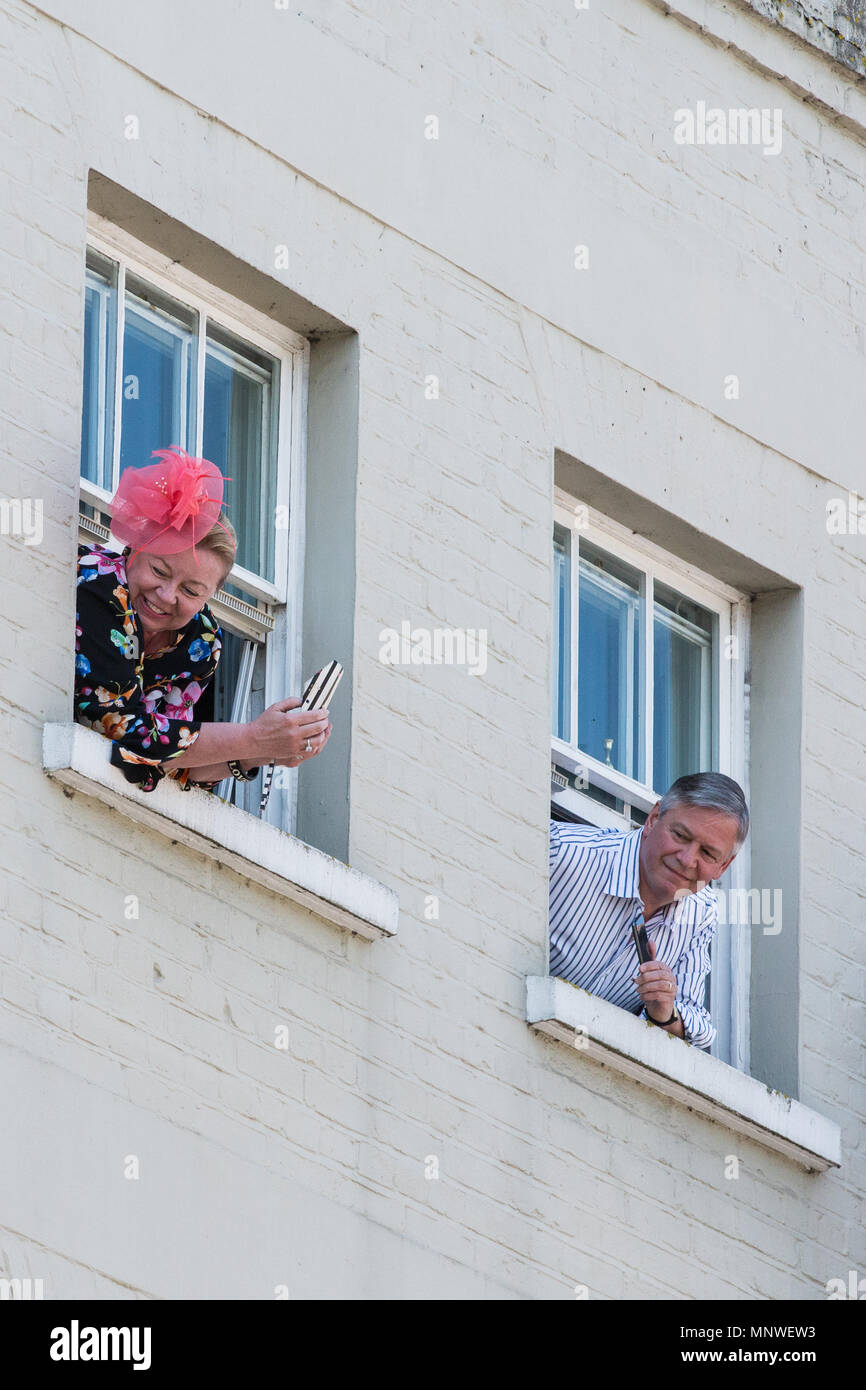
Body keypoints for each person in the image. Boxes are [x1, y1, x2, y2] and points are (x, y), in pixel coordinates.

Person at [74, 447, 332, 794]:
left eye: (192, 590)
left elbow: (172, 762)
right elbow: (129, 734)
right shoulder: (99, 583)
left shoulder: (202, 641)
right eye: (159, 569)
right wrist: (253, 737)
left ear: (212, 594)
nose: (166, 595)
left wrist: (264, 751)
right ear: (136, 547)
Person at [548, 772, 749, 1048]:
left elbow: (697, 1026)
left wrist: (664, 1013)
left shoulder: (702, 911)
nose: (687, 859)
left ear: (723, 866)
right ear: (653, 819)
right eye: (680, 835)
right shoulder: (562, 852)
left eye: (708, 854)